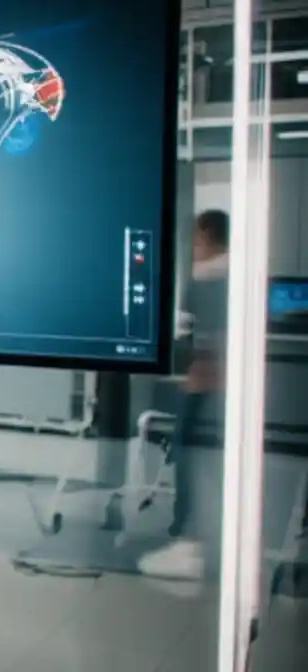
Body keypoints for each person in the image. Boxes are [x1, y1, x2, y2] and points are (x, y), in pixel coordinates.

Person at [139, 209, 228, 583]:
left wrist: (202, 371)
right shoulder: (217, 276)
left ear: (206, 235)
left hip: (207, 384)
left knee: (190, 451)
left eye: (196, 236)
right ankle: (188, 534)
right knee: (191, 451)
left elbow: (205, 338)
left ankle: (188, 539)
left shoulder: (213, 277)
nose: (193, 244)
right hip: (209, 382)